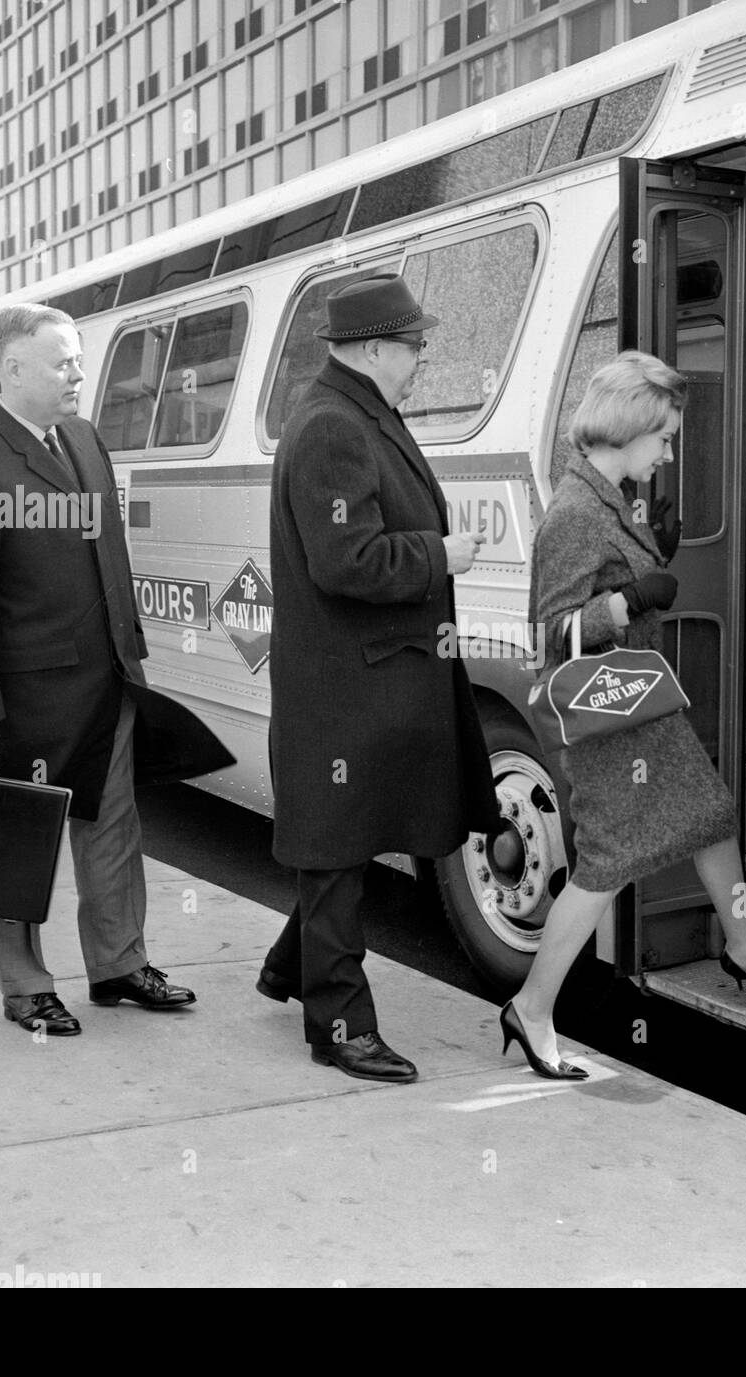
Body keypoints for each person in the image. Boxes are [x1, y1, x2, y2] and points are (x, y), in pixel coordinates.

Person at [504, 351, 746, 1081]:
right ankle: (532, 1006)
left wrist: (653, 556)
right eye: (665, 436)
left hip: (638, 706)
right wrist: (630, 601)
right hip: (609, 715)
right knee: (606, 865)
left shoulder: (606, 498)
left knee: (710, 814)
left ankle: (745, 951)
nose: (669, 450)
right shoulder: (577, 514)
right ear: (629, 428)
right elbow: (551, 633)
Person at [0, 303, 231, 1038]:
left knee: (115, 832)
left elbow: (108, 557)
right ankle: (25, 984)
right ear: (13, 368)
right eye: (63, 361)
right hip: (23, 700)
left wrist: (130, 654)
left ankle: (120, 963)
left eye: (79, 358)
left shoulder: (86, 441)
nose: (80, 374)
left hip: (107, 685)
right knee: (17, 843)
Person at [261, 274, 500, 1085]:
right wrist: (441, 554)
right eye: (414, 344)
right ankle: (337, 1025)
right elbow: (344, 561)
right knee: (333, 850)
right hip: (345, 692)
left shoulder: (357, 414)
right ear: (371, 350)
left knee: (346, 841)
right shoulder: (335, 425)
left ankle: (290, 969)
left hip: (364, 683)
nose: (422, 358)